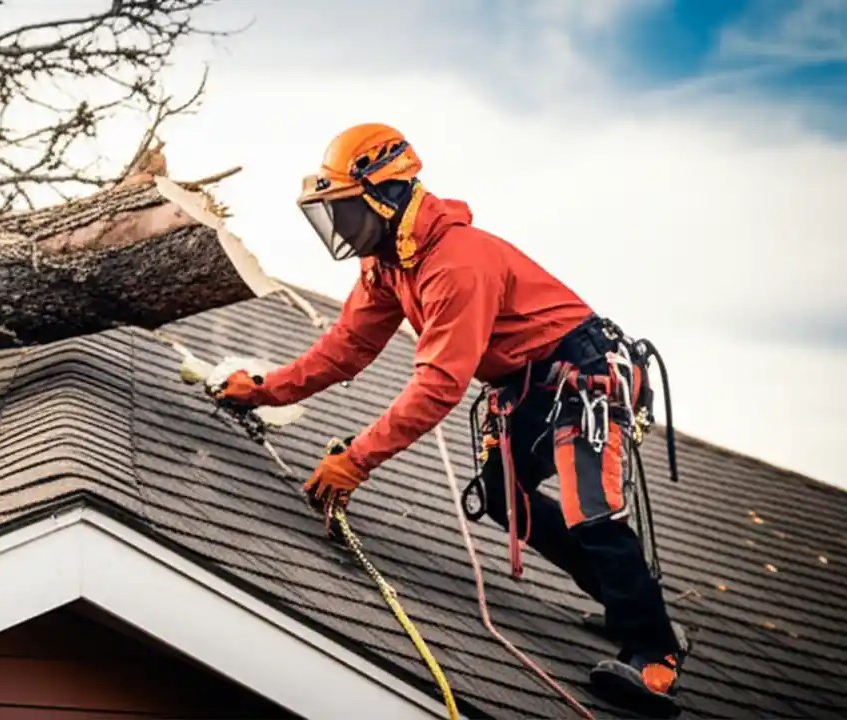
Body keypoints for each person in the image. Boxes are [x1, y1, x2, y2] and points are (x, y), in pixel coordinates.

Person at [209, 122, 687, 716]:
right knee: (502, 498)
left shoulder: (456, 263)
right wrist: (264, 391)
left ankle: (656, 650)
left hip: (580, 371)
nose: (340, 230)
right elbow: (346, 348)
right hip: (525, 380)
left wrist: (356, 461)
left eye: (346, 212)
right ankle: (628, 603)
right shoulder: (389, 263)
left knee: (588, 507)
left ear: (385, 196)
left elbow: (438, 385)